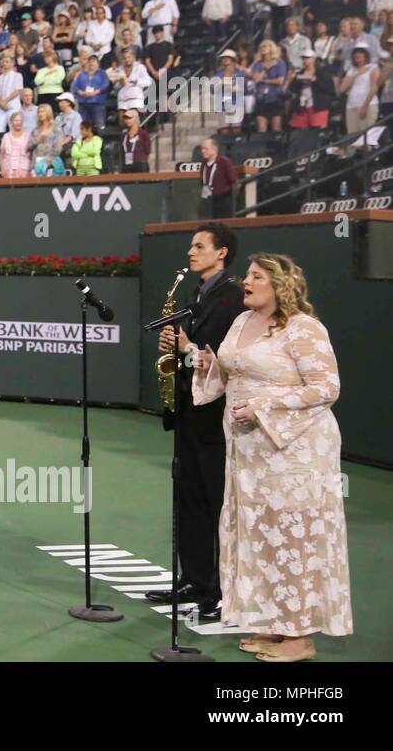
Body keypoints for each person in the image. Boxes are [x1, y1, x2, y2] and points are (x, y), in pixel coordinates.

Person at [191, 253, 351, 659]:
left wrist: (264, 405)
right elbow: (231, 373)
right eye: (247, 274)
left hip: (296, 451)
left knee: (296, 539)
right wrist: (204, 360)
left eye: (256, 276)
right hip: (248, 451)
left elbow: (326, 388)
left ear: (278, 285)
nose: (246, 281)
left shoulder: (303, 329)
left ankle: (300, 638)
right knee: (263, 536)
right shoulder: (243, 322)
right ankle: (279, 626)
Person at [145, 223, 244, 620]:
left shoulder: (232, 298)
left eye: (199, 246)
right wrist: (172, 345)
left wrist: (186, 348)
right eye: (190, 245)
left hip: (215, 417)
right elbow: (190, 351)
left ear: (221, 253)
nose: (191, 251)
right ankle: (194, 579)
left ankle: (219, 589)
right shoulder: (196, 294)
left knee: (214, 501)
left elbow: (223, 360)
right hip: (188, 410)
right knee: (188, 498)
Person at [199, 136, 237, 218]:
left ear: (214, 149)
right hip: (208, 201)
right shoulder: (203, 165)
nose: (203, 151)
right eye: (202, 149)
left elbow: (234, 181)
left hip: (223, 202)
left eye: (206, 149)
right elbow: (203, 182)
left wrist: (231, 200)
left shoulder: (224, 162)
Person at [117, 85, 151, 172]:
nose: (127, 120)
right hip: (126, 165)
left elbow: (147, 149)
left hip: (140, 164)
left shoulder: (143, 134)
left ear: (136, 119)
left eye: (129, 118)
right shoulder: (124, 135)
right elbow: (121, 151)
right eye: (125, 118)